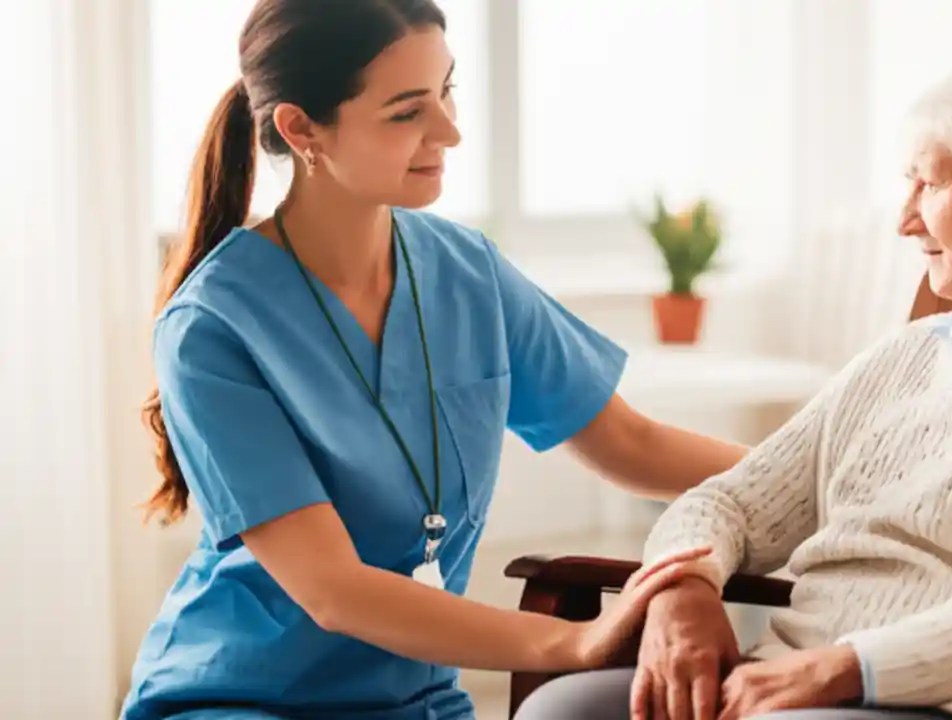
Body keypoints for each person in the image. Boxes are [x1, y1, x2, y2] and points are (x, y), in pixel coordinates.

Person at [516, 41, 952, 720]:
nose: (906, 219)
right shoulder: (906, 356)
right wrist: (683, 588)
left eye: (932, 182)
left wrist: (838, 669)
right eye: (905, 182)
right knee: (563, 710)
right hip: (792, 683)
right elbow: (728, 504)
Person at [120, 1, 747, 718]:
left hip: (417, 699)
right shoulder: (211, 327)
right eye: (405, 111)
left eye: (447, 91)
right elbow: (333, 589)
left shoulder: (468, 272)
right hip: (243, 697)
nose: (449, 130)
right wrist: (570, 643)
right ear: (301, 130)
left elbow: (631, 442)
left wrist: (826, 479)